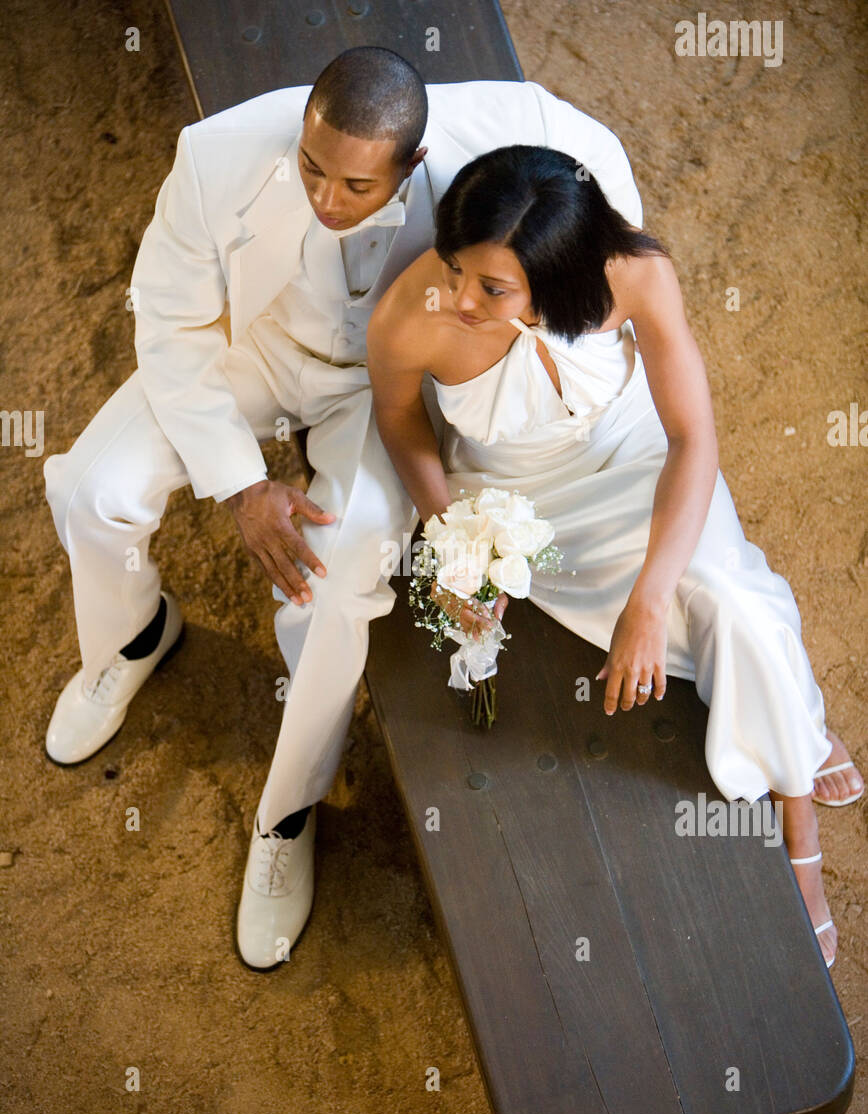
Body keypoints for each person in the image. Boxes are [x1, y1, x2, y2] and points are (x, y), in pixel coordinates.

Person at [42, 48, 648, 970]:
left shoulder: (477, 146)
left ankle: (286, 814)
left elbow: (579, 141)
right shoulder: (212, 158)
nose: (327, 197)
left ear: (411, 162)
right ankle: (134, 637)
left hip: (375, 388)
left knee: (344, 581)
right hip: (249, 349)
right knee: (95, 491)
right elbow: (168, 325)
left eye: (357, 183)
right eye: (312, 168)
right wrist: (243, 485)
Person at [367, 144, 863, 972]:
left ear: (560, 274)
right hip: (535, 504)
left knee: (726, 598)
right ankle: (795, 719)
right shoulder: (410, 317)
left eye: (492, 288)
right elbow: (400, 423)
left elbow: (693, 435)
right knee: (723, 624)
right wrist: (452, 532)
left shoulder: (634, 273)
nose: (460, 298)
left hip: (642, 463)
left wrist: (648, 598)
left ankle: (798, 828)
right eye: (457, 267)